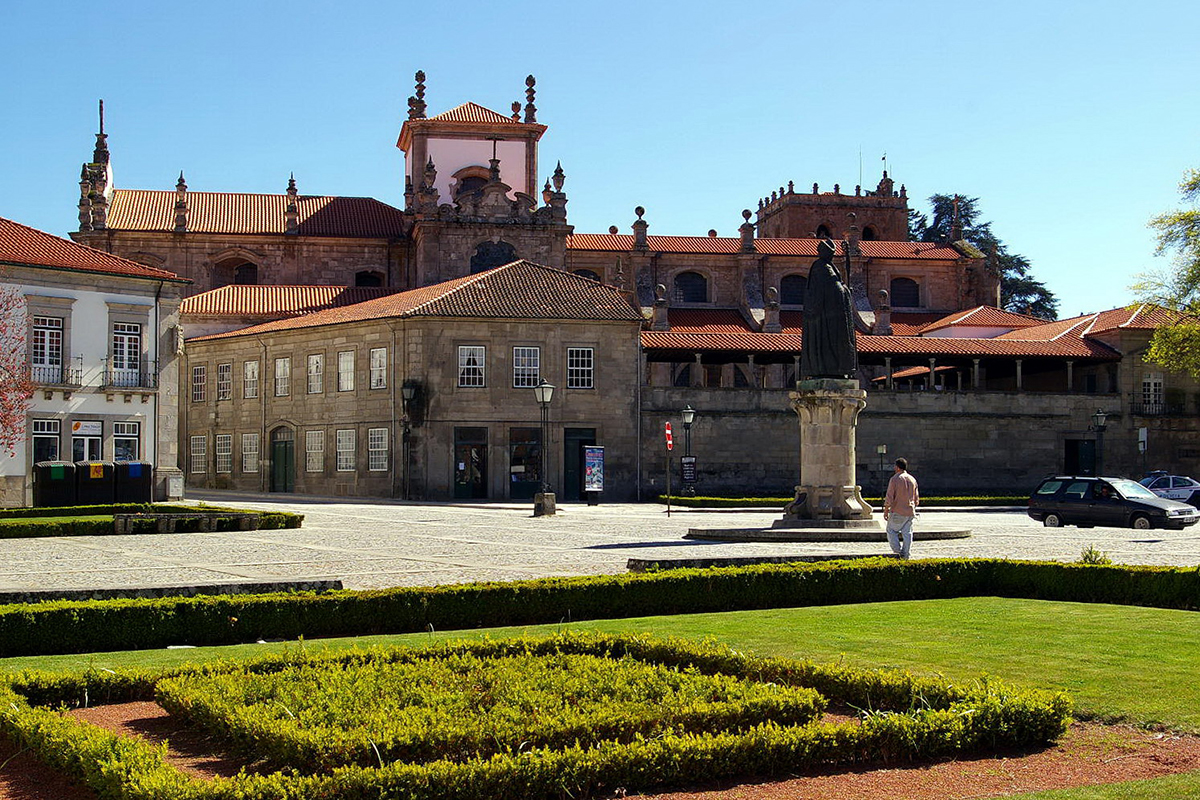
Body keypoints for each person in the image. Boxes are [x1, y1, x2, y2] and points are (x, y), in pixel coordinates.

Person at [883, 458, 919, 559]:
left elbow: (889, 496)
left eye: (895, 466)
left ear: (897, 467)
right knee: (907, 533)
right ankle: (906, 554)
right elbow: (917, 499)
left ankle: (898, 552)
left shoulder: (895, 479)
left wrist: (886, 511)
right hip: (910, 511)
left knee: (891, 530)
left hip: (898, 511)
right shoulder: (912, 479)